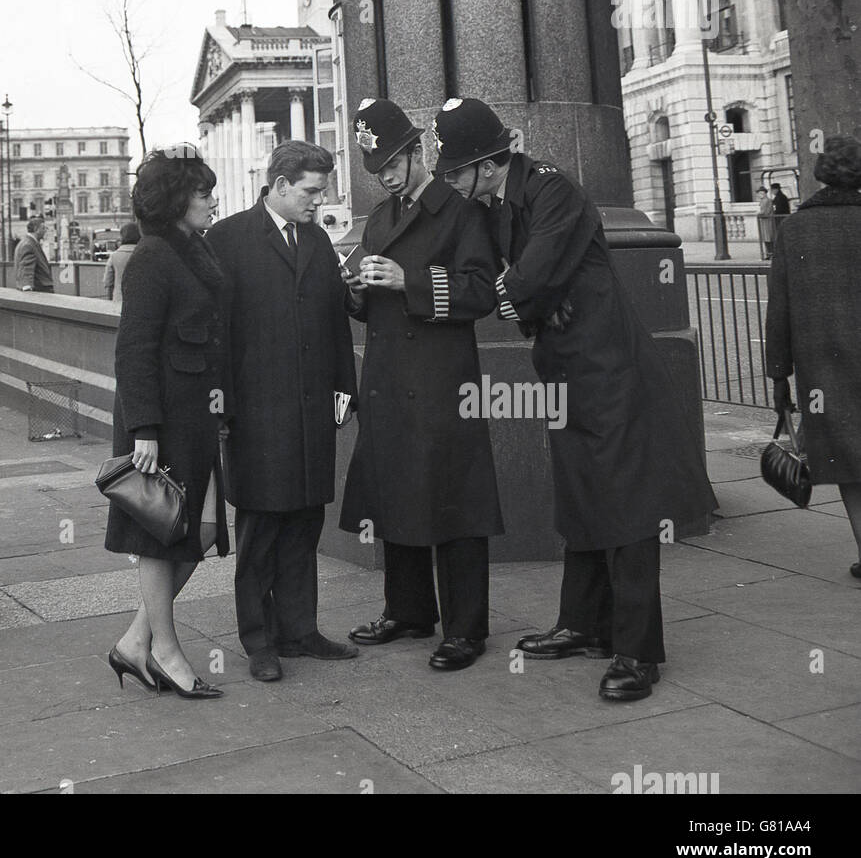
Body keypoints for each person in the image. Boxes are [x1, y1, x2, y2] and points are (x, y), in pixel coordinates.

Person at [435, 97, 716, 702]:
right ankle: (584, 623)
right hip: (565, 365)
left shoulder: (551, 190)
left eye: (456, 171)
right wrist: (521, 293)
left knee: (628, 504)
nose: (453, 183)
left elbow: (525, 280)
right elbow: (494, 278)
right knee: (582, 493)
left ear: (487, 163)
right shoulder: (495, 203)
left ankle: (638, 652)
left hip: (610, 367)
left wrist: (523, 294)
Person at [339, 98, 502, 673]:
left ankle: (466, 627)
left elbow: (481, 291)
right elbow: (366, 301)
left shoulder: (461, 212)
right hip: (387, 375)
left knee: (454, 499)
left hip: (441, 377)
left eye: (390, 162)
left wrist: (409, 281)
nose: (384, 174)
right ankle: (407, 609)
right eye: (374, 167)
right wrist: (356, 289)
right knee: (395, 490)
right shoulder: (381, 217)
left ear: (415, 151)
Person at [206, 141, 359, 682]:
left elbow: (335, 319)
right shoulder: (226, 240)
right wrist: (219, 405)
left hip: (313, 408)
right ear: (278, 185)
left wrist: (346, 387)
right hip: (254, 414)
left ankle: (300, 630)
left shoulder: (317, 240)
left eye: (323, 191)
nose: (320, 202)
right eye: (312, 192)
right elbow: (215, 332)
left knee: (303, 523)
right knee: (261, 528)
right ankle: (260, 641)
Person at [105, 148, 229, 700]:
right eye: (204, 193)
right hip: (161, 419)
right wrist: (144, 430)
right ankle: (166, 650)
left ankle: (135, 641)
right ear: (178, 200)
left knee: (195, 531)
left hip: (194, 411)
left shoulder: (189, 249)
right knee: (161, 535)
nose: (212, 200)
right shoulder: (154, 256)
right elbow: (133, 349)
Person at [765, 135, 861, 579]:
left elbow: (779, 308)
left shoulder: (795, 228)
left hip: (826, 369)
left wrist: (779, 375)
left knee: (848, 461)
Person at [102, 223, 141, 302]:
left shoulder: (114, 256)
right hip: (140, 302)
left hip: (119, 300)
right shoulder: (144, 254)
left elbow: (108, 282)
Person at [14, 218, 54, 292]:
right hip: (40, 291)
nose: (45, 231)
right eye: (43, 228)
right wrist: (27, 288)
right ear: (36, 229)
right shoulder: (29, 245)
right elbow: (26, 268)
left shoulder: (26, 242)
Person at [756, 187, 775, 260]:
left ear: (764, 193)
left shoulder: (765, 201)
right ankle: (769, 254)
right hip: (766, 221)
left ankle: (770, 254)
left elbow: (764, 212)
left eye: (760, 193)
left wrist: (758, 214)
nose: (759, 195)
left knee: (768, 238)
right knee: (767, 238)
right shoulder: (765, 200)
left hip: (767, 221)